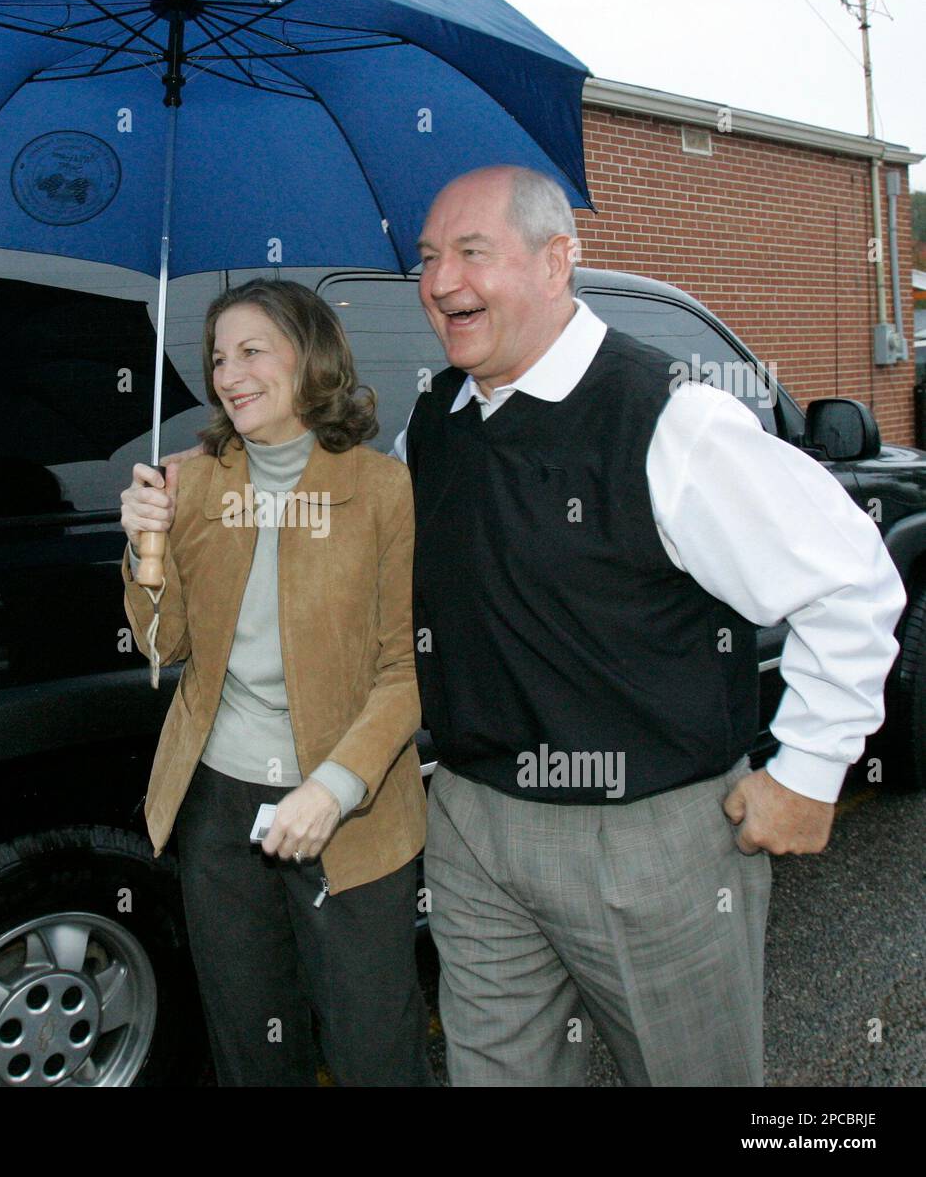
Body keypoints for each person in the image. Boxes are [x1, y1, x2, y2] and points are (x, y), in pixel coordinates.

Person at [393, 163, 906, 1086]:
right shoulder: (438, 417)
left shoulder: (670, 417)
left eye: (473, 253)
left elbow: (852, 581)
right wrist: (219, 476)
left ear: (558, 262)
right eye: (429, 258)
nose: (439, 282)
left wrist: (809, 771)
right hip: (471, 822)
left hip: (648, 846)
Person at [120, 278, 432, 1087]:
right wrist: (142, 548)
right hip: (219, 812)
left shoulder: (381, 489)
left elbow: (405, 672)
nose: (229, 374)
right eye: (219, 357)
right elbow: (165, 644)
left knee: (375, 1053)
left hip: (351, 814)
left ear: (312, 359)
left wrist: (332, 787)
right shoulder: (195, 485)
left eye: (252, 351)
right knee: (252, 1052)